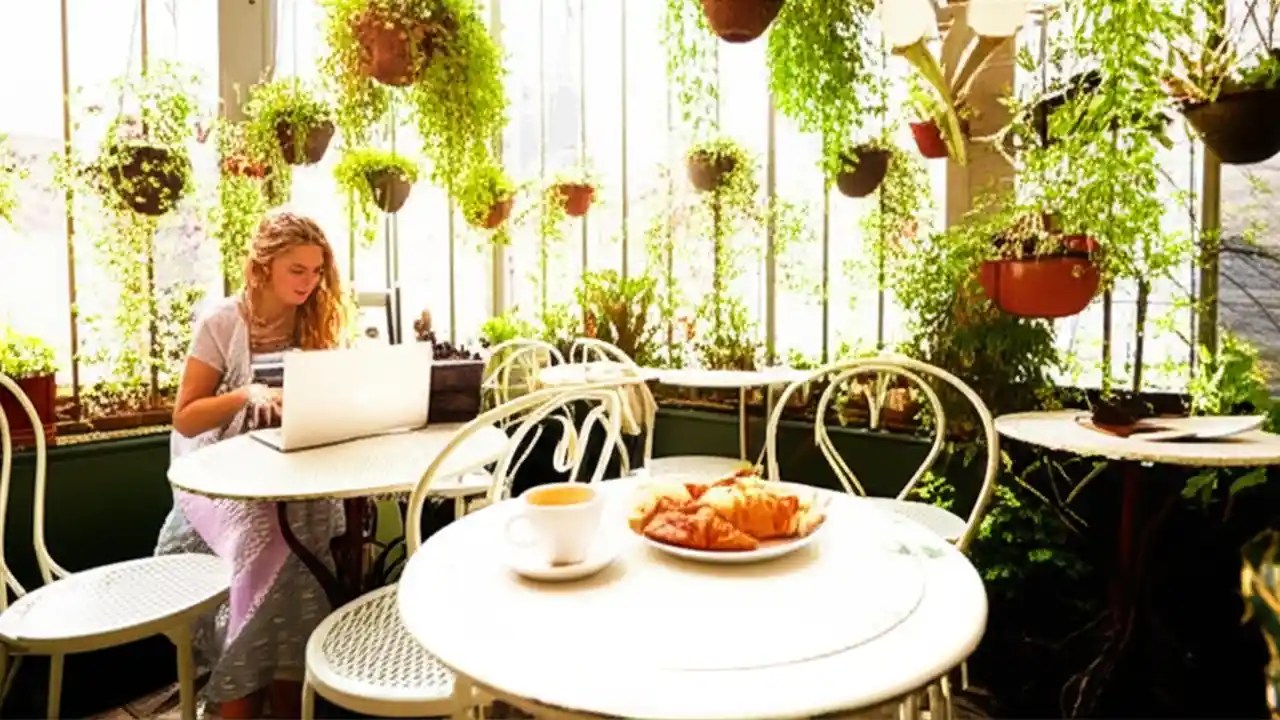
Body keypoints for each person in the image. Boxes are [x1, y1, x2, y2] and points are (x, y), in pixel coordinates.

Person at [155, 211, 347, 719]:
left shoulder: (314, 318)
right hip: (219, 486)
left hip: (288, 473)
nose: (309, 283)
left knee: (304, 531)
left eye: (316, 271)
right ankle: (242, 696)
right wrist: (246, 394)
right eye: (296, 270)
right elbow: (187, 419)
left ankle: (277, 696)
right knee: (273, 542)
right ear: (263, 267)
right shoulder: (222, 322)